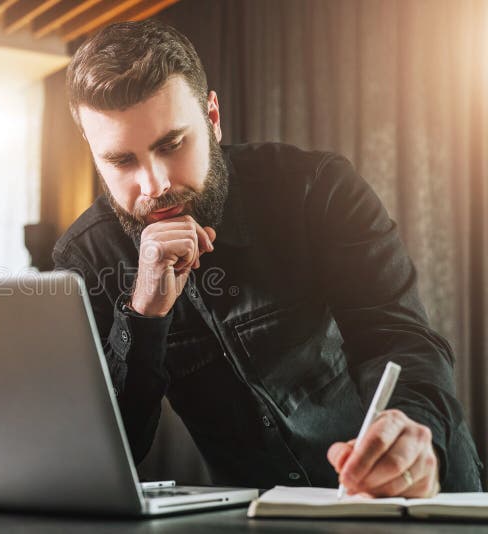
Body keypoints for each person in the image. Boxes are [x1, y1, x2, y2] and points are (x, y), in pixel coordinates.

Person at [52, 19, 483, 496]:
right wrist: (144, 315)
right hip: (262, 517)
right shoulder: (86, 256)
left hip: (417, 489)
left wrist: (413, 429)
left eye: (171, 145)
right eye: (121, 161)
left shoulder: (316, 188)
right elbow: (105, 450)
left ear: (212, 118)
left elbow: (398, 337)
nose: (154, 186)